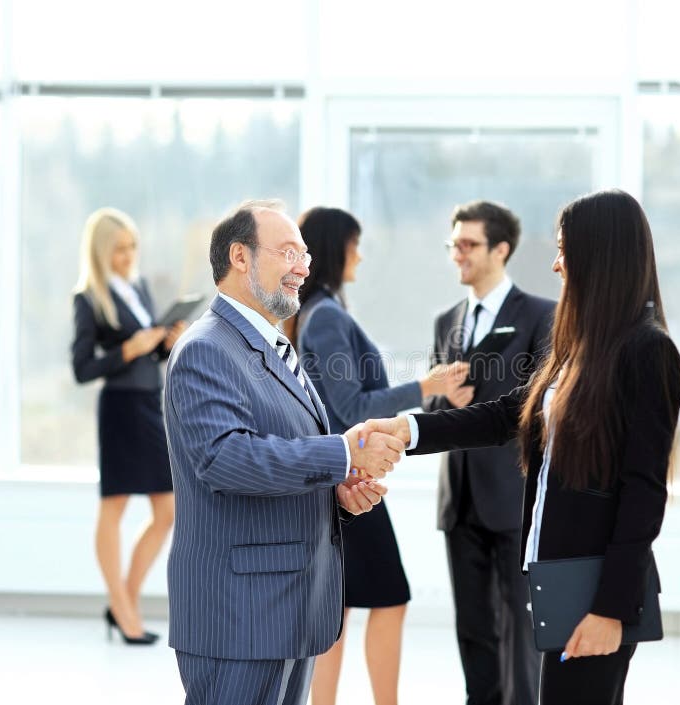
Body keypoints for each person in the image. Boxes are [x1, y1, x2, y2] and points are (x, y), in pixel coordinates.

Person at [360, 189, 680, 705]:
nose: (556, 265)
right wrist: (408, 429)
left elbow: (644, 492)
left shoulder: (647, 350)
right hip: (558, 574)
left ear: (599, 252)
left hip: (596, 589)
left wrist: (611, 609)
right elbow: (508, 413)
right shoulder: (579, 343)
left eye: (563, 249)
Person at [163, 200, 407, 705]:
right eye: (288, 252)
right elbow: (226, 459)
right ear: (240, 257)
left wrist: (337, 491)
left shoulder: (271, 345)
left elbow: (277, 452)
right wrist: (341, 454)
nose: (303, 267)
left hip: (285, 610)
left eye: (306, 255)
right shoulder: (207, 348)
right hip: (240, 617)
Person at [288, 206, 469, 705]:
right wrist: (424, 386)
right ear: (335, 249)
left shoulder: (318, 312)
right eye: (354, 245)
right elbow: (350, 408)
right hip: (348, 478)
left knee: (340, 607)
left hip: (338, 475)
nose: (360, 256)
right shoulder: (324, 316)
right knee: (388, 599)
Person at [423, 200, 554, 705]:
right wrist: (439, 397)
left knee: (523, 630)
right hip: (459, 501)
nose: (458, 254)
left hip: (513, 496)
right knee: (474, 630)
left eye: (468, 244)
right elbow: (437, 404)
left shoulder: (543, 316)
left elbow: (540, 406)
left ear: (501, 249)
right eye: (453, 244)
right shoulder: (446, 321)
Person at [71, 207, 186, 644]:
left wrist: (163, 344)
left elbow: (148, 353)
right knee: (114, 507)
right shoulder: (88, 298)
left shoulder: (137, 287)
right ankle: (122, 607)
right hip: (119, 409)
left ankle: (125, 600)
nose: (127, 255)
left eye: (132, 246)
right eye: (118, 249)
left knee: (167, 509)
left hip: (148, 404)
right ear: (101, 252)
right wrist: (130, 349)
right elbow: (82, 368)